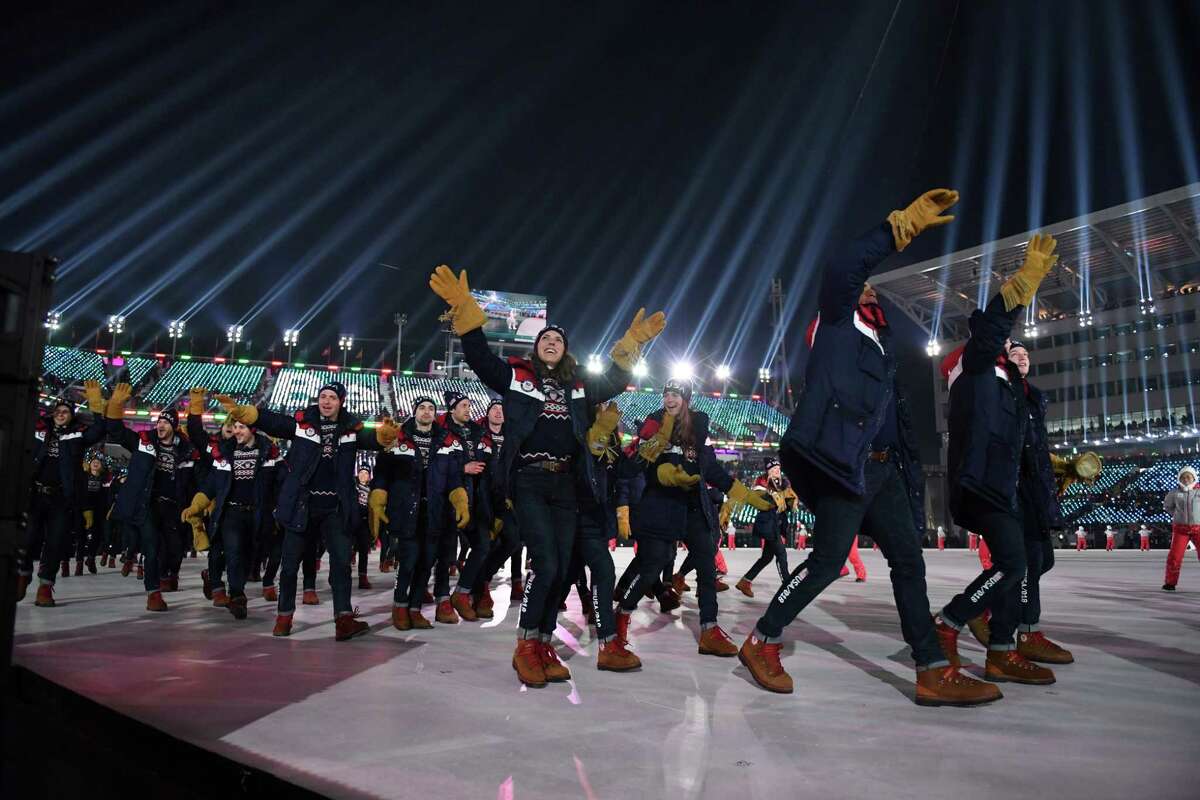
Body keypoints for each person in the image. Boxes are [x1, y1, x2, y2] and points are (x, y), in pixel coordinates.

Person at [738, 189, 998, 706]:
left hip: (882, 472)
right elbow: (842, 268)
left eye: (874, 290)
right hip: (843, 468)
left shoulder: (882, 348)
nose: (873, 292)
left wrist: (906, 470)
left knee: (909, 559)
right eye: (867, 288)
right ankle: (762, 639)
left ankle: (930, 668)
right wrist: (896, 229)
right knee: (828, 562)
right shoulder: (835, 324)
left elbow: (894, 420)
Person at [430, 263, 664, 687]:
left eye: (558, 339)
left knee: (559, 569)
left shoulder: (578, 384)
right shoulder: (516, 378)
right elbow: (481, 358)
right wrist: (466, 311)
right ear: (535, 348)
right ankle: (525, 646)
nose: (552, 342)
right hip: (530, 481)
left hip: (568, 485)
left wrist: (632, 344)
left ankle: (543, 642)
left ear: (566, 350)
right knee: (548, 562)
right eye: (545, 339)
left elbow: (612, 380)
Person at [930, 232, 1065, 689]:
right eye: (1008, 345)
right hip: (981, 482)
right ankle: (949, 622)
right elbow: (989, 331)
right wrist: (1024, 283)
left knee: (1017, 563)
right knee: (1012, 563)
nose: (1011, 348)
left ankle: (1002, 651)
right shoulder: (977, 364)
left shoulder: (1003, 382)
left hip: (999, 483)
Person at [218, 382, 398, 640]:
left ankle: (344, 619)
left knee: (341, 565)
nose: (326, 401)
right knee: (290, 565)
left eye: (332, 398)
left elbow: (372, 439)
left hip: (335, 508)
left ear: (341, 402)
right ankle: (284, 618)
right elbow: (277, 423)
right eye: (323, 396)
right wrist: (252, 415)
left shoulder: (350, 428)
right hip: (302, 505)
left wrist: (383, 436)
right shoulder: (303, 424)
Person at [616, 381, 772, 660]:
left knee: (706, 564)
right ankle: (622, 617)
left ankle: (709, 630)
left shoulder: (698, 427)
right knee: (654, 564)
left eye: (675, 394)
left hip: (692, 505)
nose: (669, 398)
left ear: (686, 399)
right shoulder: (653, 424)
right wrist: (650, 453)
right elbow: (631, 467)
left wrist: (742, 493)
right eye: (666, 394)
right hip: (661, 504)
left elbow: (711, 469)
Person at [371, 396, 469, 630]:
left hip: (435, 511)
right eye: (422, 408)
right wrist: (378, 496)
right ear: (414, 412)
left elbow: (455, 476)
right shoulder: (397, 437)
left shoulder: (448, 441)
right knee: (409, 561)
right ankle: (400, 606)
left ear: (436, 414)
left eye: (431, 408)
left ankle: (414, 609)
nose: (426, 412)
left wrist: (460, 498)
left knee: (426, 562)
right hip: (406, 510)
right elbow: (383, 472)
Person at [105, 384, 201, 611]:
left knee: (174, 548)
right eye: (159, 421)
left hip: (172, 507)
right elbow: (116, 431)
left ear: (174, 427)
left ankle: (164, 575)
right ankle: (153, 592)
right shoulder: (144, 441)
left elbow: (193, 481)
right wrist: (116, 404)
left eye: (166, 422)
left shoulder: (185, 452)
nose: (160, 425)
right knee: (152, 545)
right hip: (147, 504)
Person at [181, 411, 280, 620]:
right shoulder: (224, 453)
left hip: (258, 514)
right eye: (234, 427)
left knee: (249, 556)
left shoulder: (268, 452)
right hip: (231, 512)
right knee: (233, 552)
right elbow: (211, 484)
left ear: (252, 429)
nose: (236, 431)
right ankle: (237, 596)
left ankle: (236, 587)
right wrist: (196, 505)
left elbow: (281, 483)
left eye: (241, 427)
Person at [19, 382, 108, 605]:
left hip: (61, 497)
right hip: (35, 493)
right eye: (58, 411)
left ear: (71, 416)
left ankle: (46, 586)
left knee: (56, 542)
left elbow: (99, 430)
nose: (60, 414)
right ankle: (22, 573)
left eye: (65, 412)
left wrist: (96, 405)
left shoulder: (77, 435)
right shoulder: (40, 428)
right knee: (28, 538)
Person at [442, 390, 497, 622]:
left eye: (468, 405)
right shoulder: (441, 431)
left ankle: (462, 593)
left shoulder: (479, 433)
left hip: (477, 501)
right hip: (448, 500)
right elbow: (436, 465)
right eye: (463, 405)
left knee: (482, 546)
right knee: (444, 553)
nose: (467, 409)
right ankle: (441, 600)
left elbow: (490, 466)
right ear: (452, 409)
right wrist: (462, 469)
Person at [734, 459, 796, 597]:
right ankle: (788, 585)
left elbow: (786, 504)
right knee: (781, 554)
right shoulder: (761, 484)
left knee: (767, 557)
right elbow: (758, 499)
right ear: (768, 471)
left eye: (778, 470)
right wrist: (774, 495)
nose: (777, 472)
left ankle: (745, 581)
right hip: (769, 525)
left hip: (777, 524)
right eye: (773, 470)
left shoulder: (783, 484)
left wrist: (790, 501)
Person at [1162, 465, 1200, 591]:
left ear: (1194, 477)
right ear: (1179, 478)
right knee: (1175, 556)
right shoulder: (1174, 492)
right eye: (1183, 477)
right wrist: (1176, 515)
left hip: (1198, 528)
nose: (1186, 479)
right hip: (1180, 530)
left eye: (1189, 476)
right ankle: (1170, 583)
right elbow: (1168, 506)